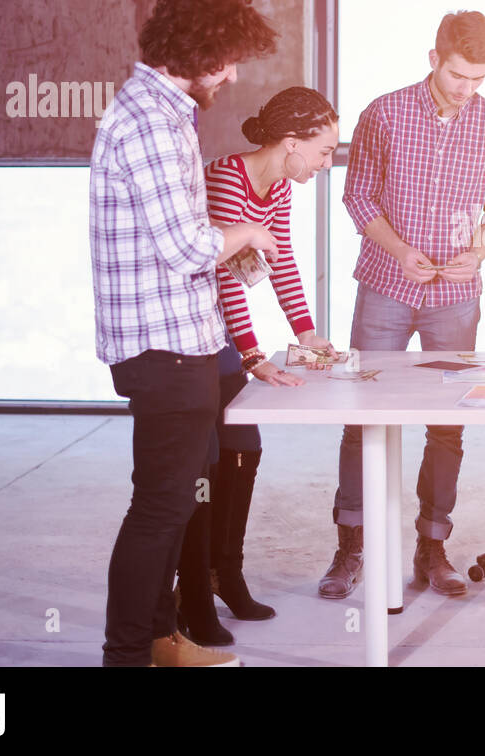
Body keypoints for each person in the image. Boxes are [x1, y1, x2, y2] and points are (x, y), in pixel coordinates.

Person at [90, 0, 278, 667]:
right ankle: (128, 654)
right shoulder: (150, 123)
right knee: (161, 508)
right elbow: (187, 246)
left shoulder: (160, 113)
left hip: (181, 342)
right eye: (225, 61)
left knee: (173, 502)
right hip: (163, 349)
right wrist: (248, 233)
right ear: (198, 53)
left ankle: (164, 637)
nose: (229, 76)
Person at [320, 10, 485, 599]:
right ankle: (350, 546)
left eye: (479, 79)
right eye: (458, 74)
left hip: (455, 296)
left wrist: (479, 255)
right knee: (363, 419)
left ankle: (432, 547)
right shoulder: (383, 113)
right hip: (385, 282)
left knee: (447, 423)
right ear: (434, 59)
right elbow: (358, 197)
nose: (466, 88)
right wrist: (401, 250)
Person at [172, 87, 341, 646]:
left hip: (223, 341)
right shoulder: (226, 177)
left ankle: (227, 572)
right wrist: (251, 356)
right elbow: (225, 273)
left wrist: (308, 334)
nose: (325, 162)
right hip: (194, 337)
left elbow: (281, 263)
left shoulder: (276, 191)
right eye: (322, 151)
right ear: (292, 144)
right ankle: (192, 590)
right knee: (208, 464)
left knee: (244, 452)